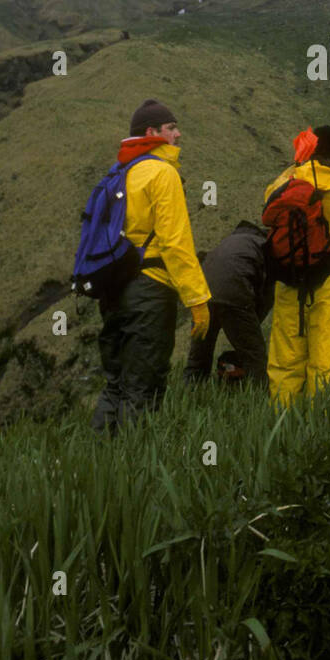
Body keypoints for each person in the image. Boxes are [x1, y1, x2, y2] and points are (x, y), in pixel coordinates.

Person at [91, 98, 211, 432]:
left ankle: (101, 455)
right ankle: (134, 462)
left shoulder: (120, 173)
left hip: (113, 290)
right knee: (144, 387)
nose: (178, 134)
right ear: (151, 133)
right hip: (150, 292)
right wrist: (197, 300)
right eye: (171, 128)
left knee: (115, 384)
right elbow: (176, 244)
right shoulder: (163, 173)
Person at [264, 125, 330, 405]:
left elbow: (269, 197)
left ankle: (282, 421)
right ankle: (320, 424)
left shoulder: (285, 186)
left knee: (285, 362)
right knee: (327, 364)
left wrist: (297, 166)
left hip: (289, 280)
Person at [183, 222, 274, 389]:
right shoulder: (264, 246)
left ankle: (190, 393)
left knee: (198, 356)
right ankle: (258, 397)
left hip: (203, 294)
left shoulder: (230, 241)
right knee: (255, 356)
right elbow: (266, 296)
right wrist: (250, 327)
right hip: (234, 292)